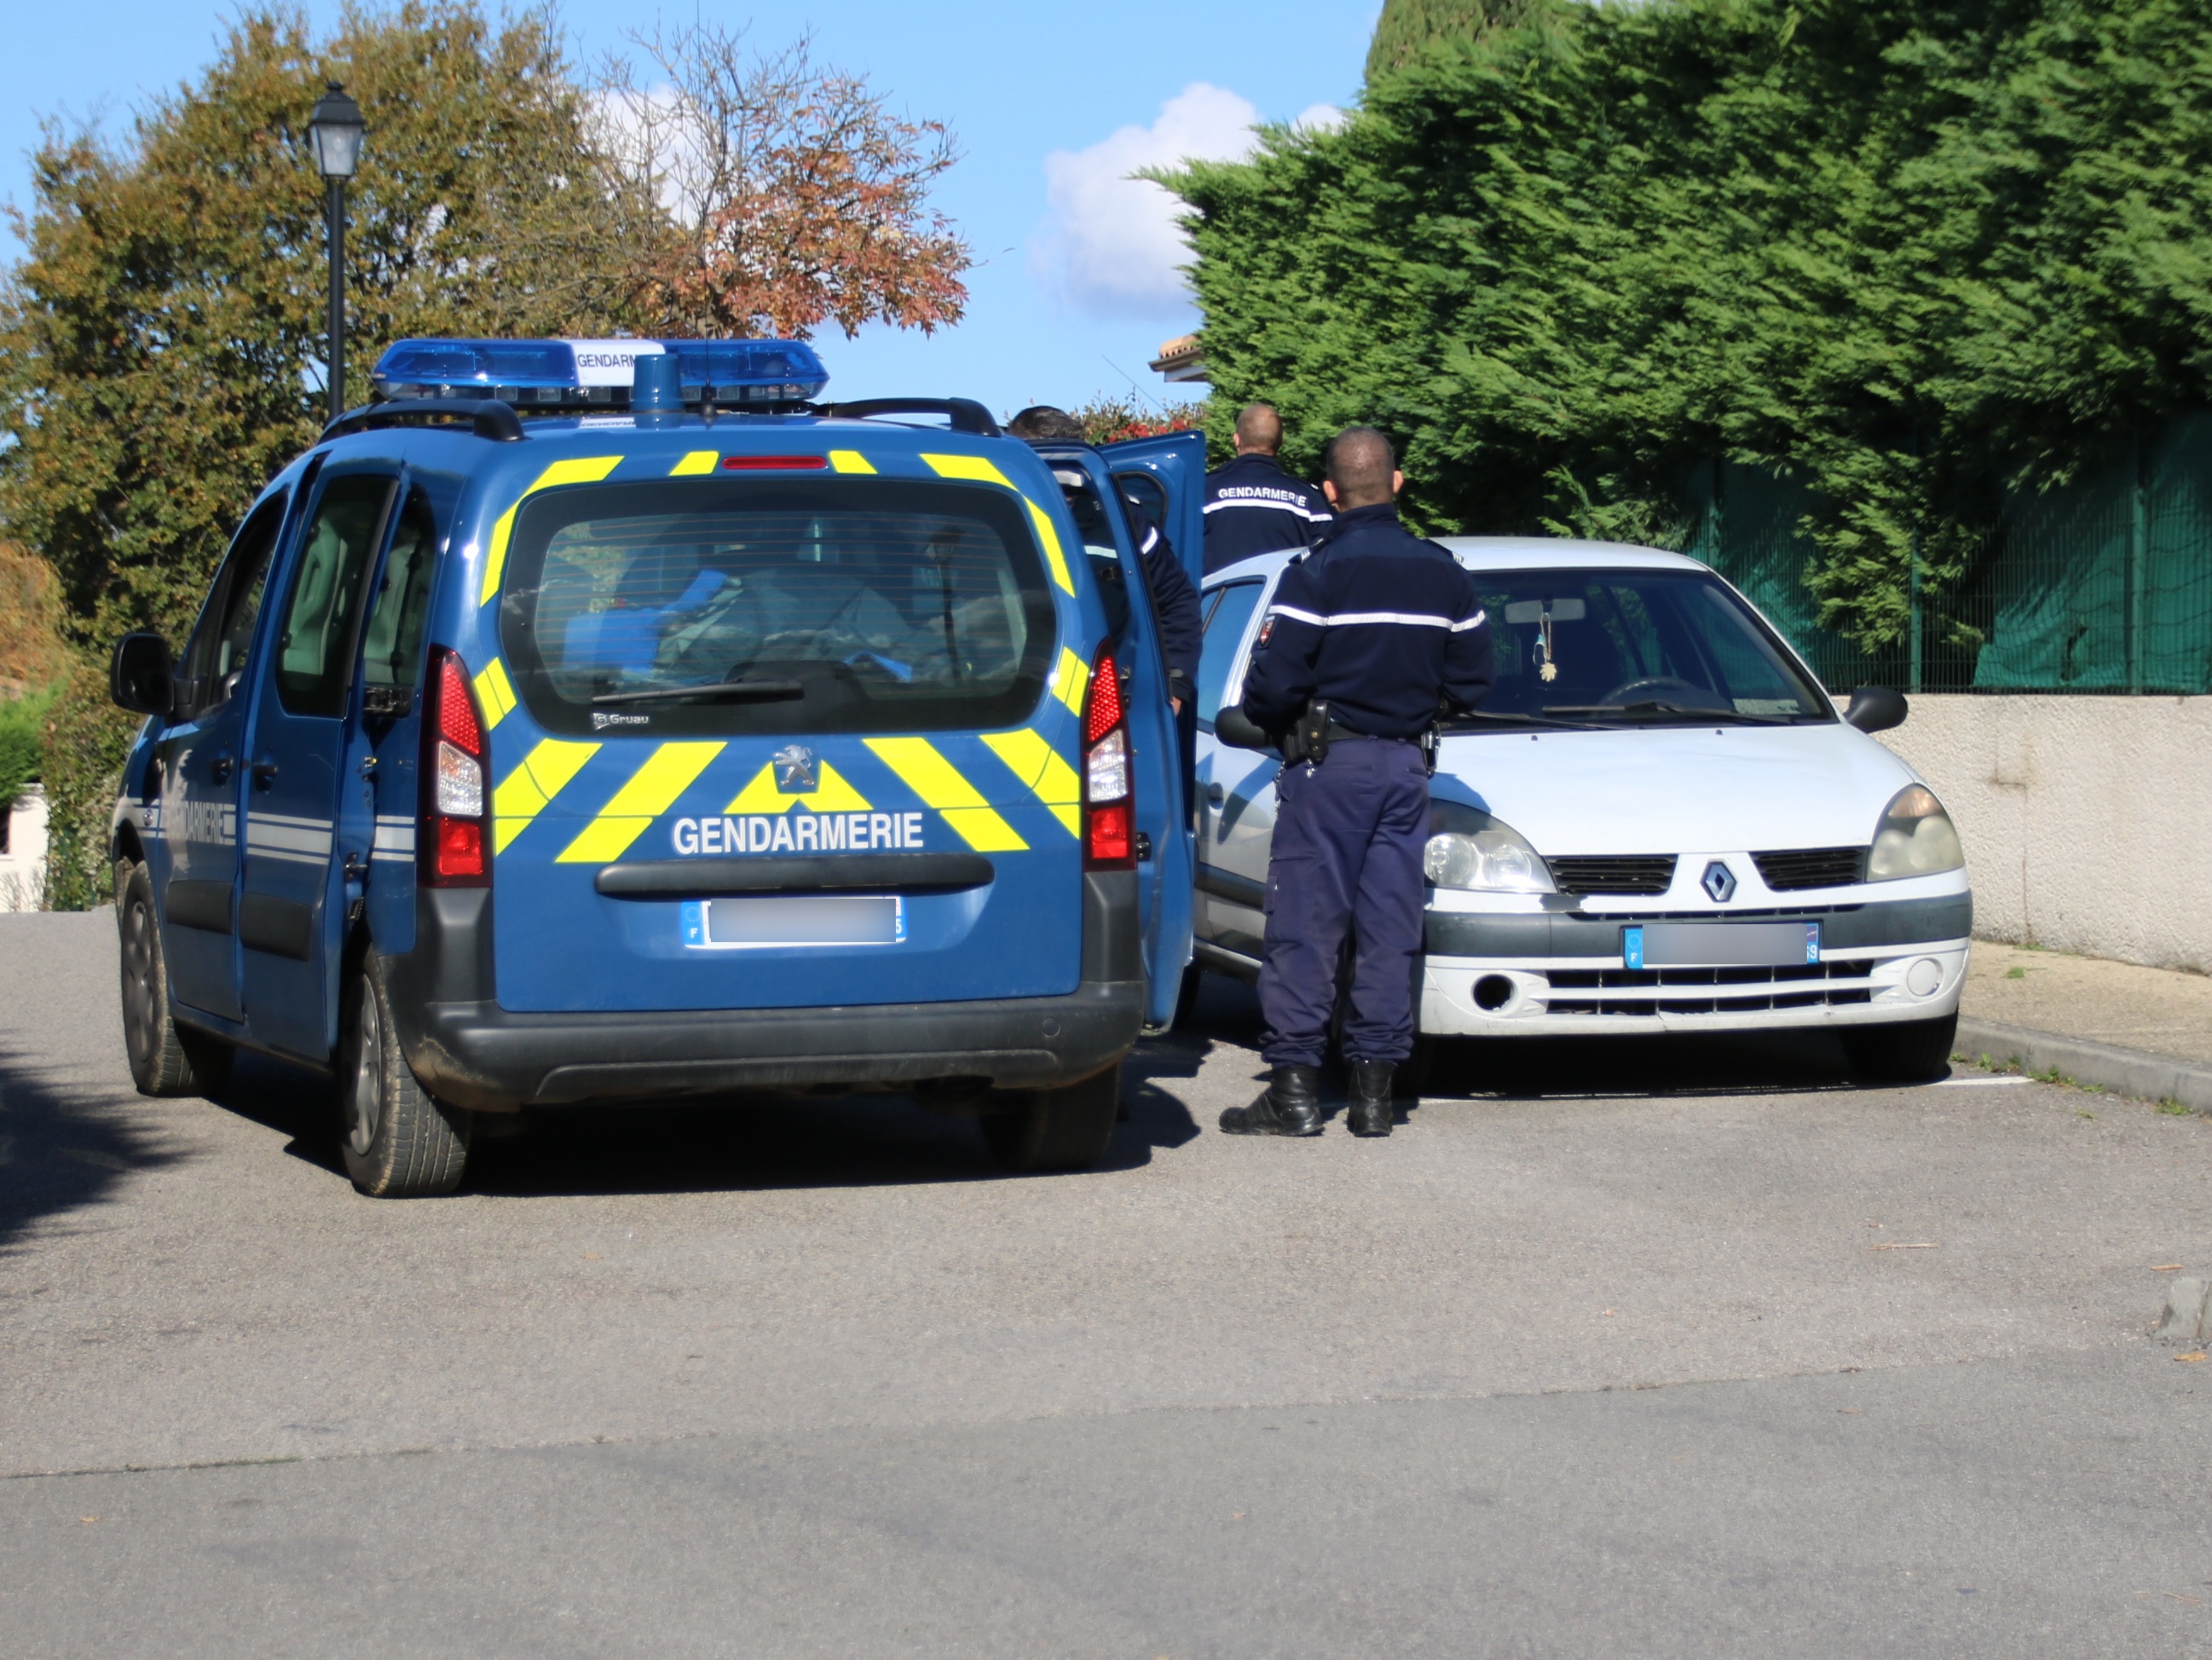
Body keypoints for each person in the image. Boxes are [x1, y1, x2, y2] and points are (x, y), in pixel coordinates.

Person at [1221, 427, 1493, 1138]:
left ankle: (1294, 1094)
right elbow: (1473, 678)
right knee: (1387, 929)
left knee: (1306, 929)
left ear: (1331, 494)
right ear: (1397, 484)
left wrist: (1288, 712)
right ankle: (1375, 1097)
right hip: (1405, 767)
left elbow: (1271, 686)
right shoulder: (1444, 572)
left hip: (1326, 769)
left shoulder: (1316, 571)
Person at [1006, 405, 1202, 808]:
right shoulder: (998, 512)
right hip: (1007, 703)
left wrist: (1175, 685)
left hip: (1104, 706)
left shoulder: (1119, 519)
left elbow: (1176, 602)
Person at [1201, 402, 1333, 574]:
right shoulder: (1310, 501)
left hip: (1216, 600)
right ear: (1281, 443)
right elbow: (1327, 560)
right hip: (1284, 599)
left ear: (1236, 440)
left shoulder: (1204, 491)